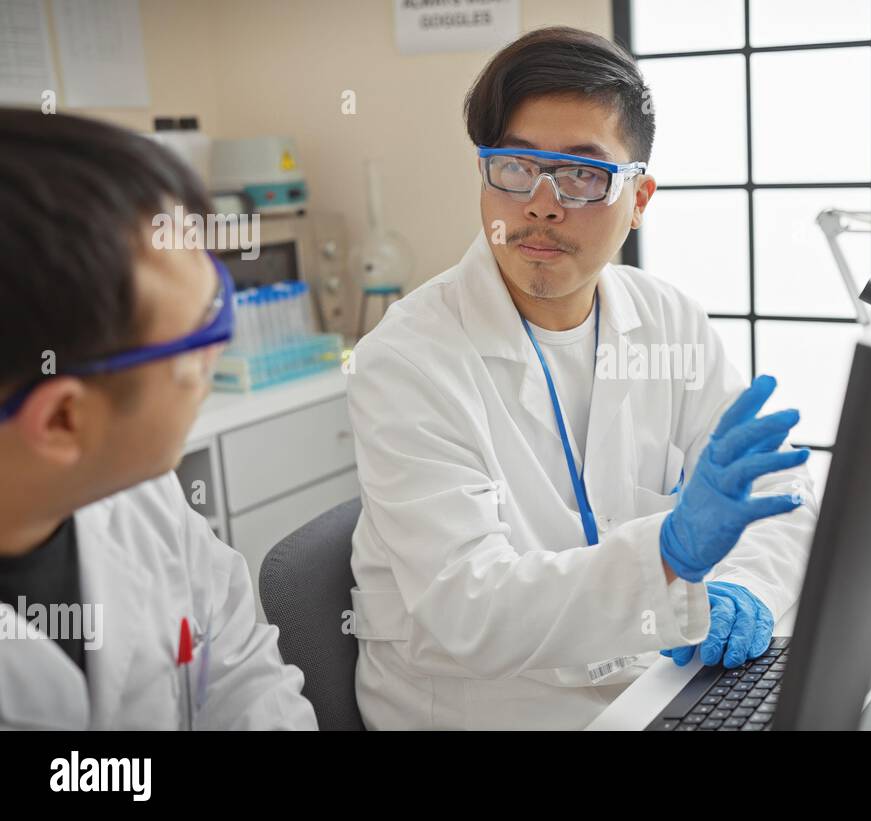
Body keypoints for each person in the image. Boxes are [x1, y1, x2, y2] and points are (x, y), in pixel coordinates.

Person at [347, 27, 818, 730]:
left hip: (647, 681)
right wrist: (668, 556)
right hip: (485, 709)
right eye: (514, 166)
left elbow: (776, 495)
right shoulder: (408, 358)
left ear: (641, 197)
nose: (539, 203)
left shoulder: (668, 321)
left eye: (581, 173)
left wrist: (741, 584)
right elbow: (466, 606)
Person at [0, 108, 317, 730]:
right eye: (201, 333)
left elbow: (246, 678)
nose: (221, 350)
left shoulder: (134, 493)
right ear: (64, 419)